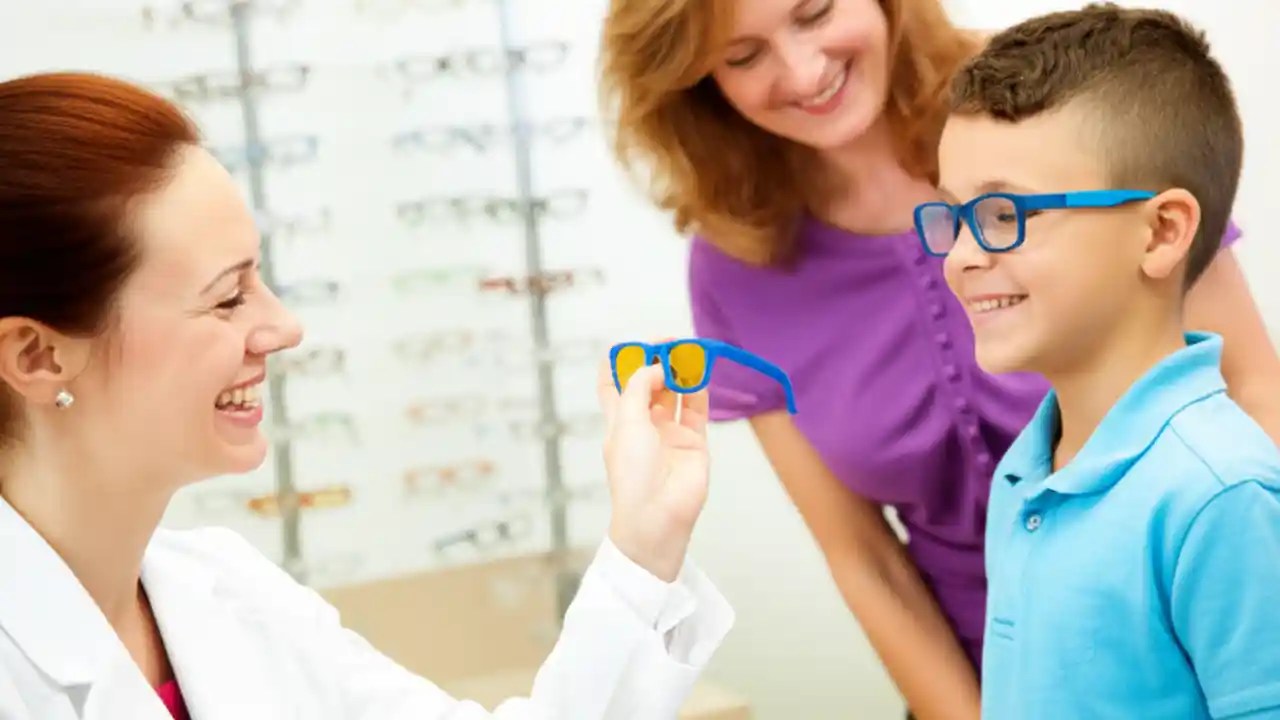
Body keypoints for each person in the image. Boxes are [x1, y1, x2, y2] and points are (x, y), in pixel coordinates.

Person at [597, 1, 1280, 716]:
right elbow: (860, 553)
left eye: (817, 11)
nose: (802, 71)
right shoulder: (736, 261)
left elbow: (1254, 390)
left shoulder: (1059, 104)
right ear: (699, 81)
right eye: (742, 57)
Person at [0, 71, 732, 719]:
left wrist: (644, 540)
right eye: (228, 300)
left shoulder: (227, 590)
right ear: (36, 355)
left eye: (261, 280)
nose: (283, 327)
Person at [923, 5, 1280, 717]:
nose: (962, 256)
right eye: (954, 215)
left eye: (1004, 215)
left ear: (1160, 232)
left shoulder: (1223, 494)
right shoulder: (1026, 475)